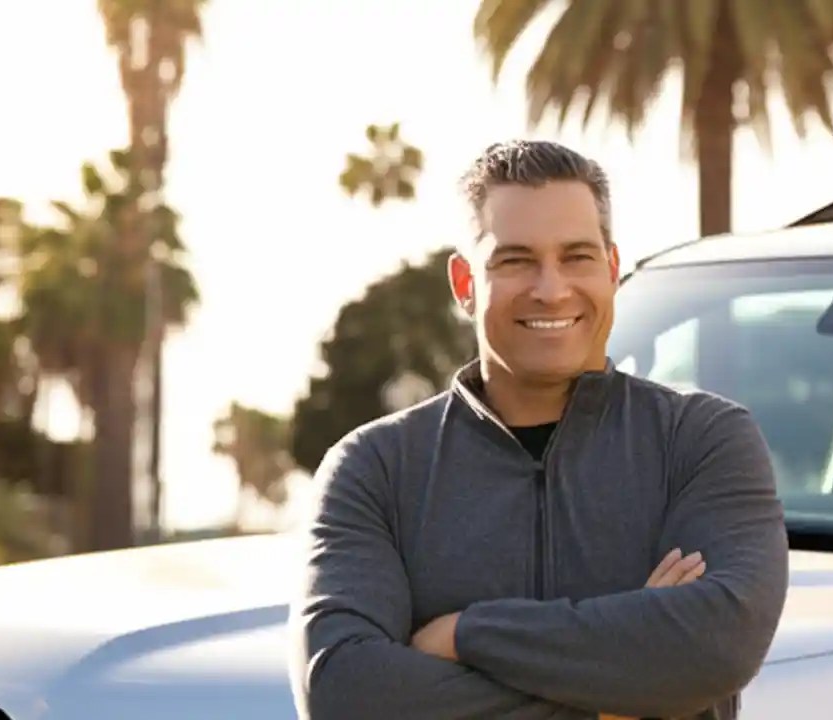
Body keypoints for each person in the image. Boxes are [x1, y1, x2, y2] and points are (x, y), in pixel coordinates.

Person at [288, 139, 789, 720]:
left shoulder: (701, 441)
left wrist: (464, 634)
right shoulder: (376, 468)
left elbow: (714, 644)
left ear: (611, 268)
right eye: (515, 260)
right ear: (464, 283)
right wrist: (622, 697)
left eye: (576, 257)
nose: (551, 290)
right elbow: (344, 691)